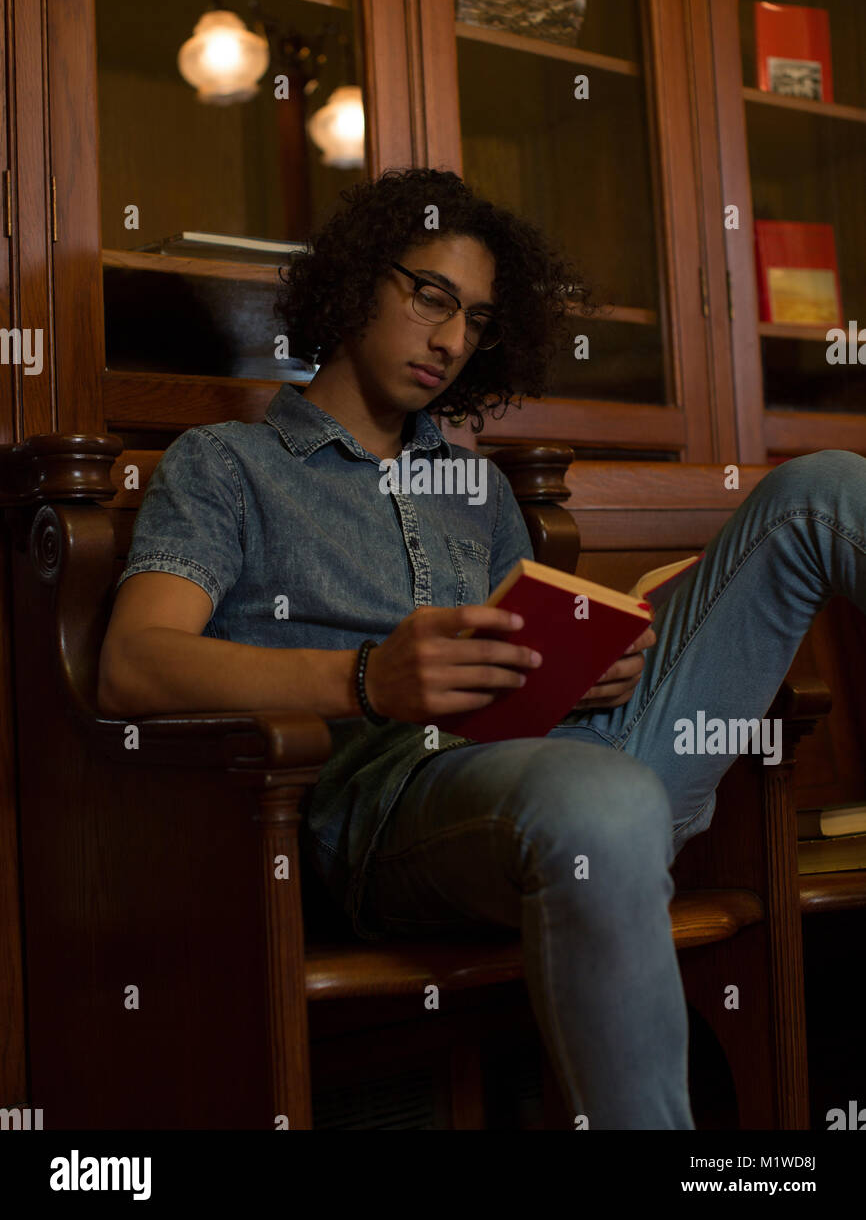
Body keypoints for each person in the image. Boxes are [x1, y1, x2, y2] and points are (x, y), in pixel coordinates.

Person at [98, 167, 866, 1129]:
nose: (454, 340)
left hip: (563, 773)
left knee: (825, 490)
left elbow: (518, 660)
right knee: (602, 800)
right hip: (386, 812)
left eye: (478, 320)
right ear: (352, 280)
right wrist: (367, 677)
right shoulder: (229, 465)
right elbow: (134, 662)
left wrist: (587, 672)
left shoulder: (479, 491)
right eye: (431, 297)